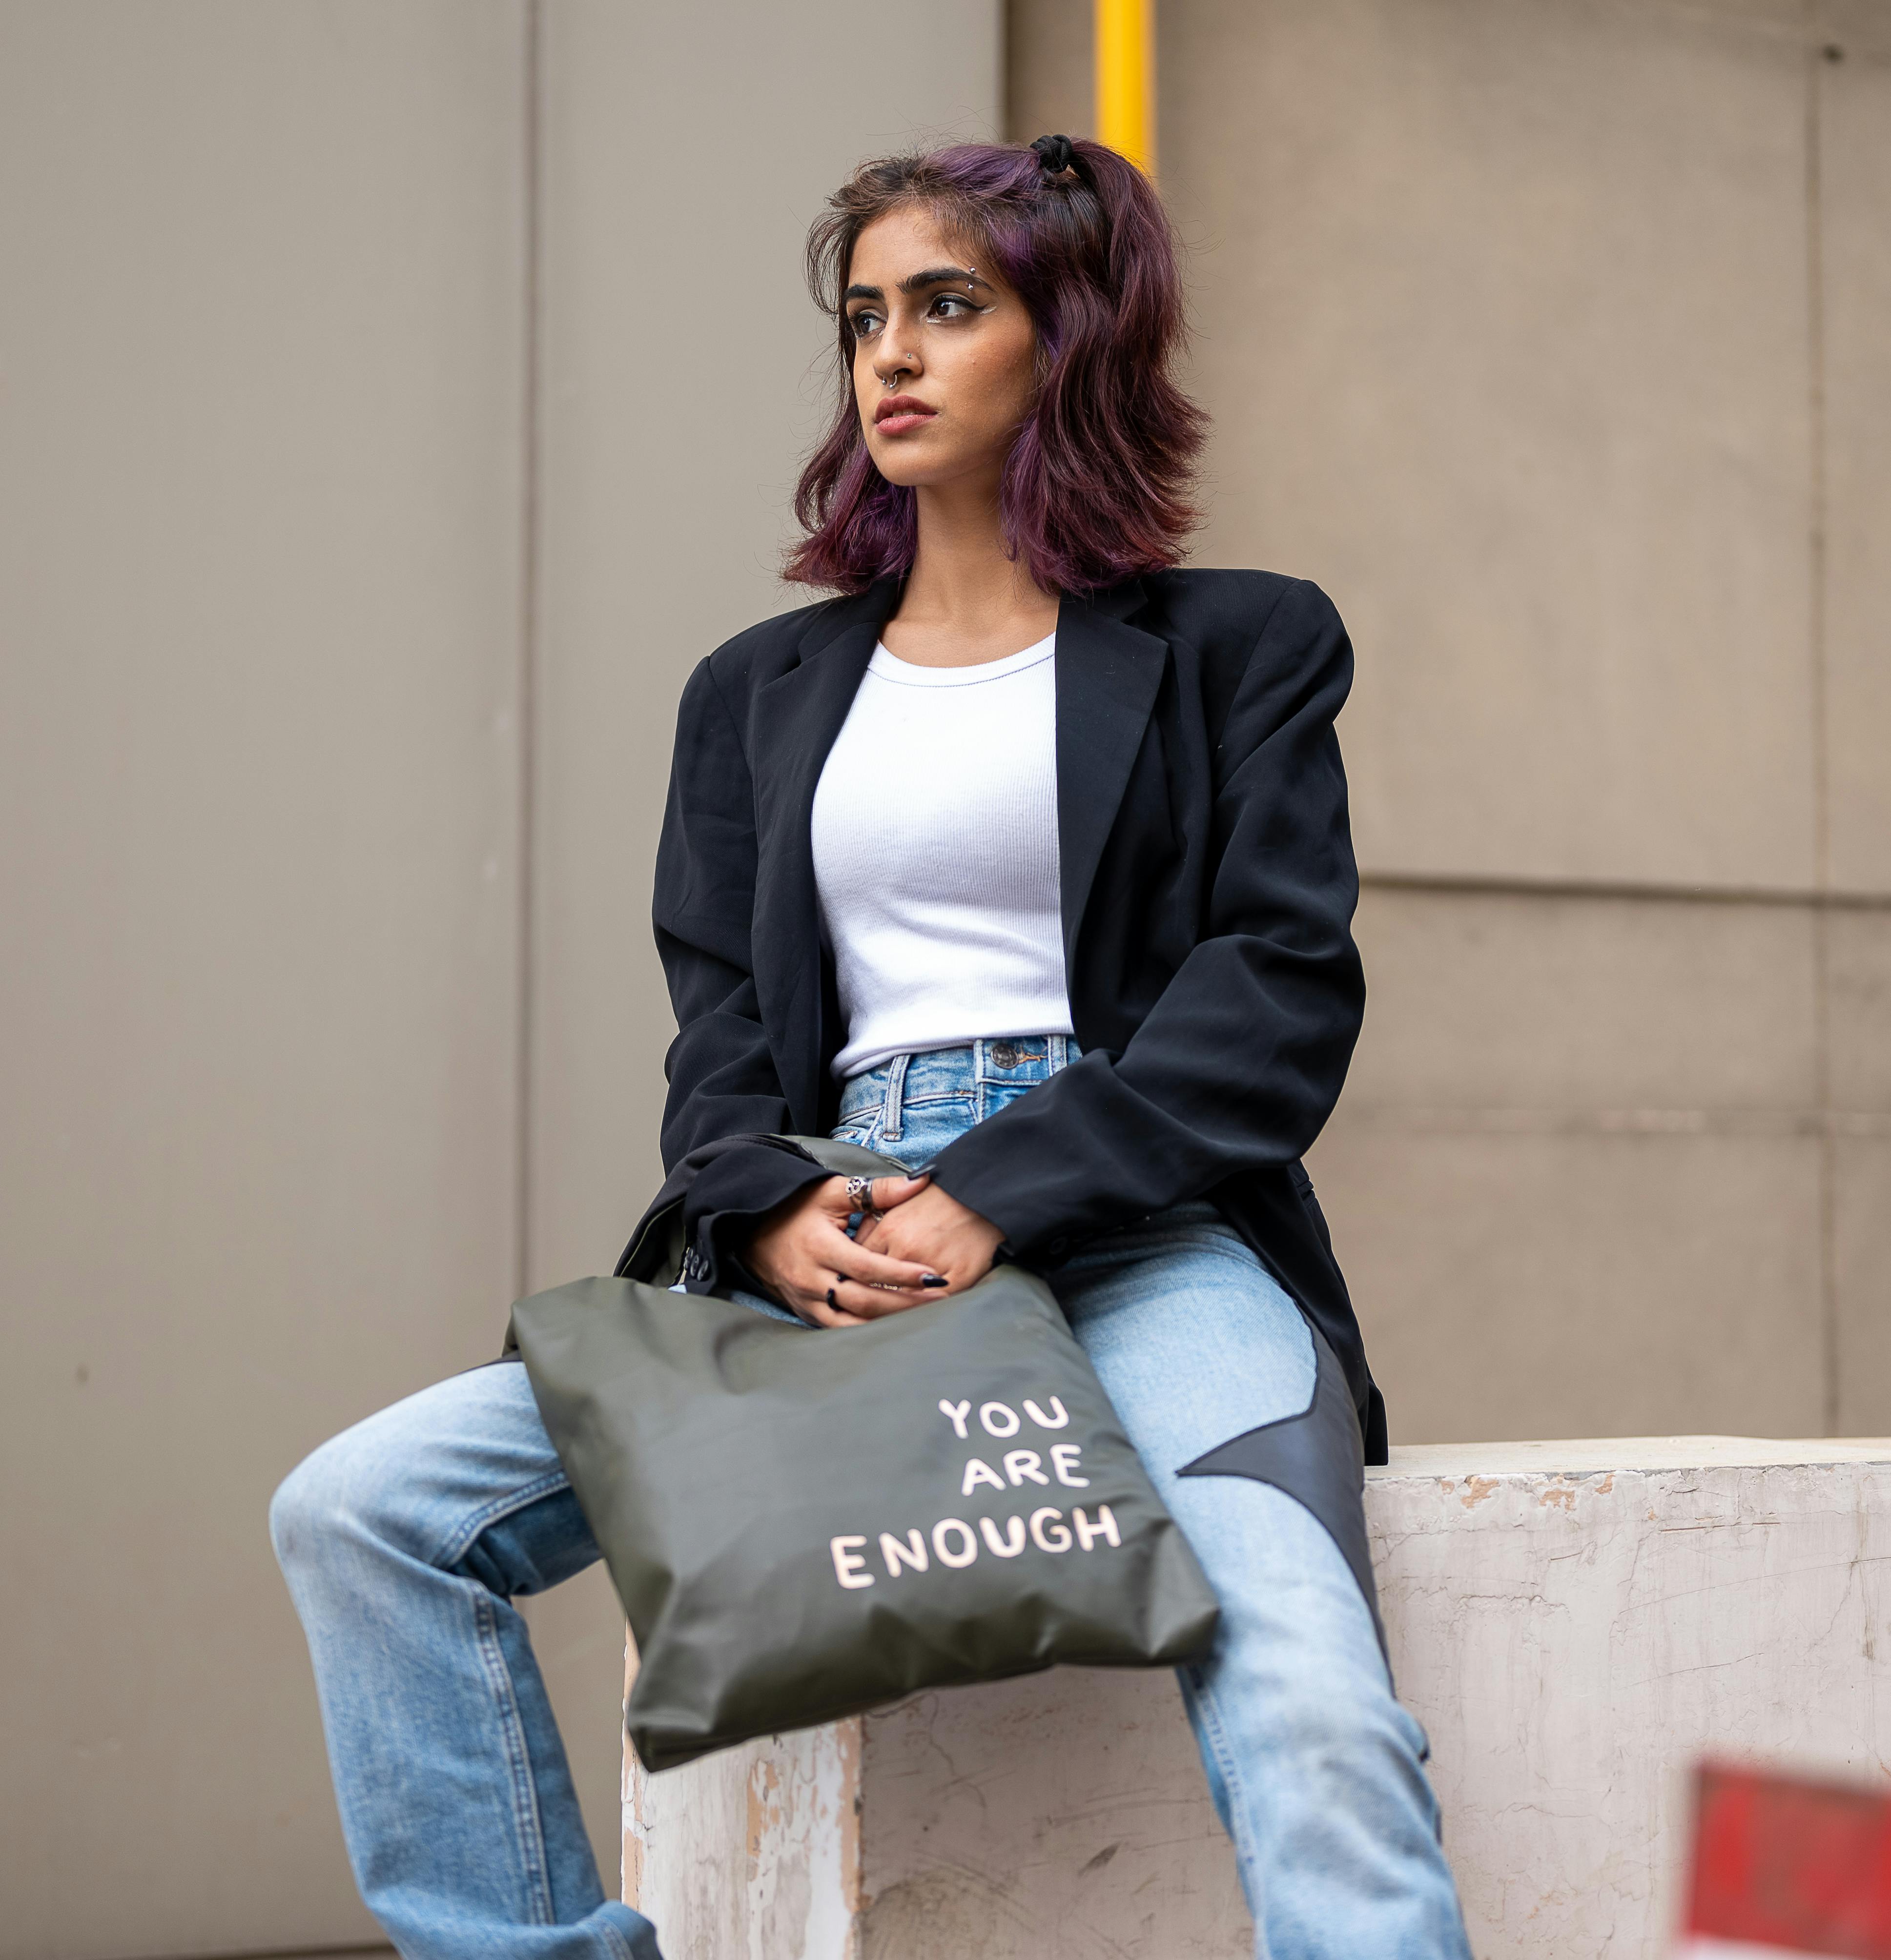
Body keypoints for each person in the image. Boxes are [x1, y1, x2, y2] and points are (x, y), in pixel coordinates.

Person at [269, 134, 1471, 1960]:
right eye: (864, 317)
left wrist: (999, 1188)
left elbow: (1279, 995)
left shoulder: (1246, 645)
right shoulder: (755, 692)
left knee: (1309, 1689)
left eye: (948, 306)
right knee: (362, 1514)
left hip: (1148, 1240)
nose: (890, 354)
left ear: (1072, 335)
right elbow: (722, 1036)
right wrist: (765, 1214)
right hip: (833, 1244)